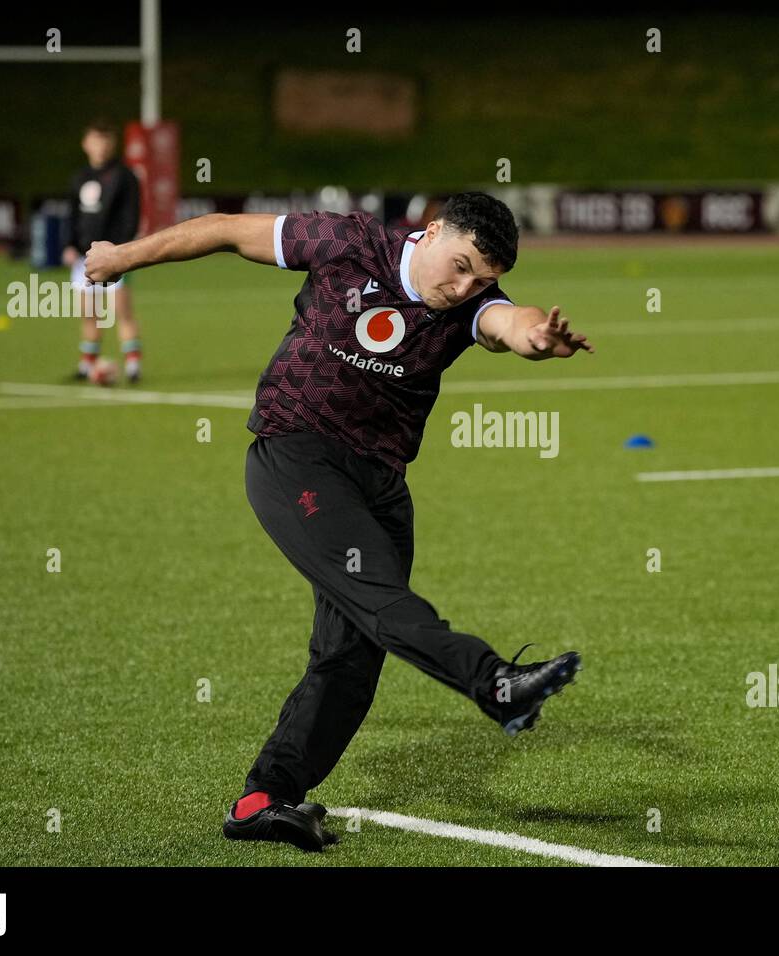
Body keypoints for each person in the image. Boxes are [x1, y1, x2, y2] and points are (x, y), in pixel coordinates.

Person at [84, 192, 592, 851]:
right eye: (460, 264)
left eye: (481, 279)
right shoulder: (346, 243)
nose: (464, 285)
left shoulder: (472, 304)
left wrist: (536, 337)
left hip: (380, 486)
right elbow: (223, 231)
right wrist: (123, 256)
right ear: (431, 231)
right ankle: (496, 683)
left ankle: (264, 797)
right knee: (383, 602)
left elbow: (509, 323)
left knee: (351, 656)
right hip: (297, 458)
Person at [64, 119, 143, 382]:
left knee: (122, 312)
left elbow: (131, 217)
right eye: (96, 140)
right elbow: (72, 215)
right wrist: (70, 246)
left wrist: (121, 251)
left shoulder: (124, 176)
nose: (101, 146)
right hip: (84, 259)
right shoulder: (79, 178)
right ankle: (87, 365)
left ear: (113, 143)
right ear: (86, 144)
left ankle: (133, 367)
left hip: (115, 255)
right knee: (89, 313)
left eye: (106, 140)